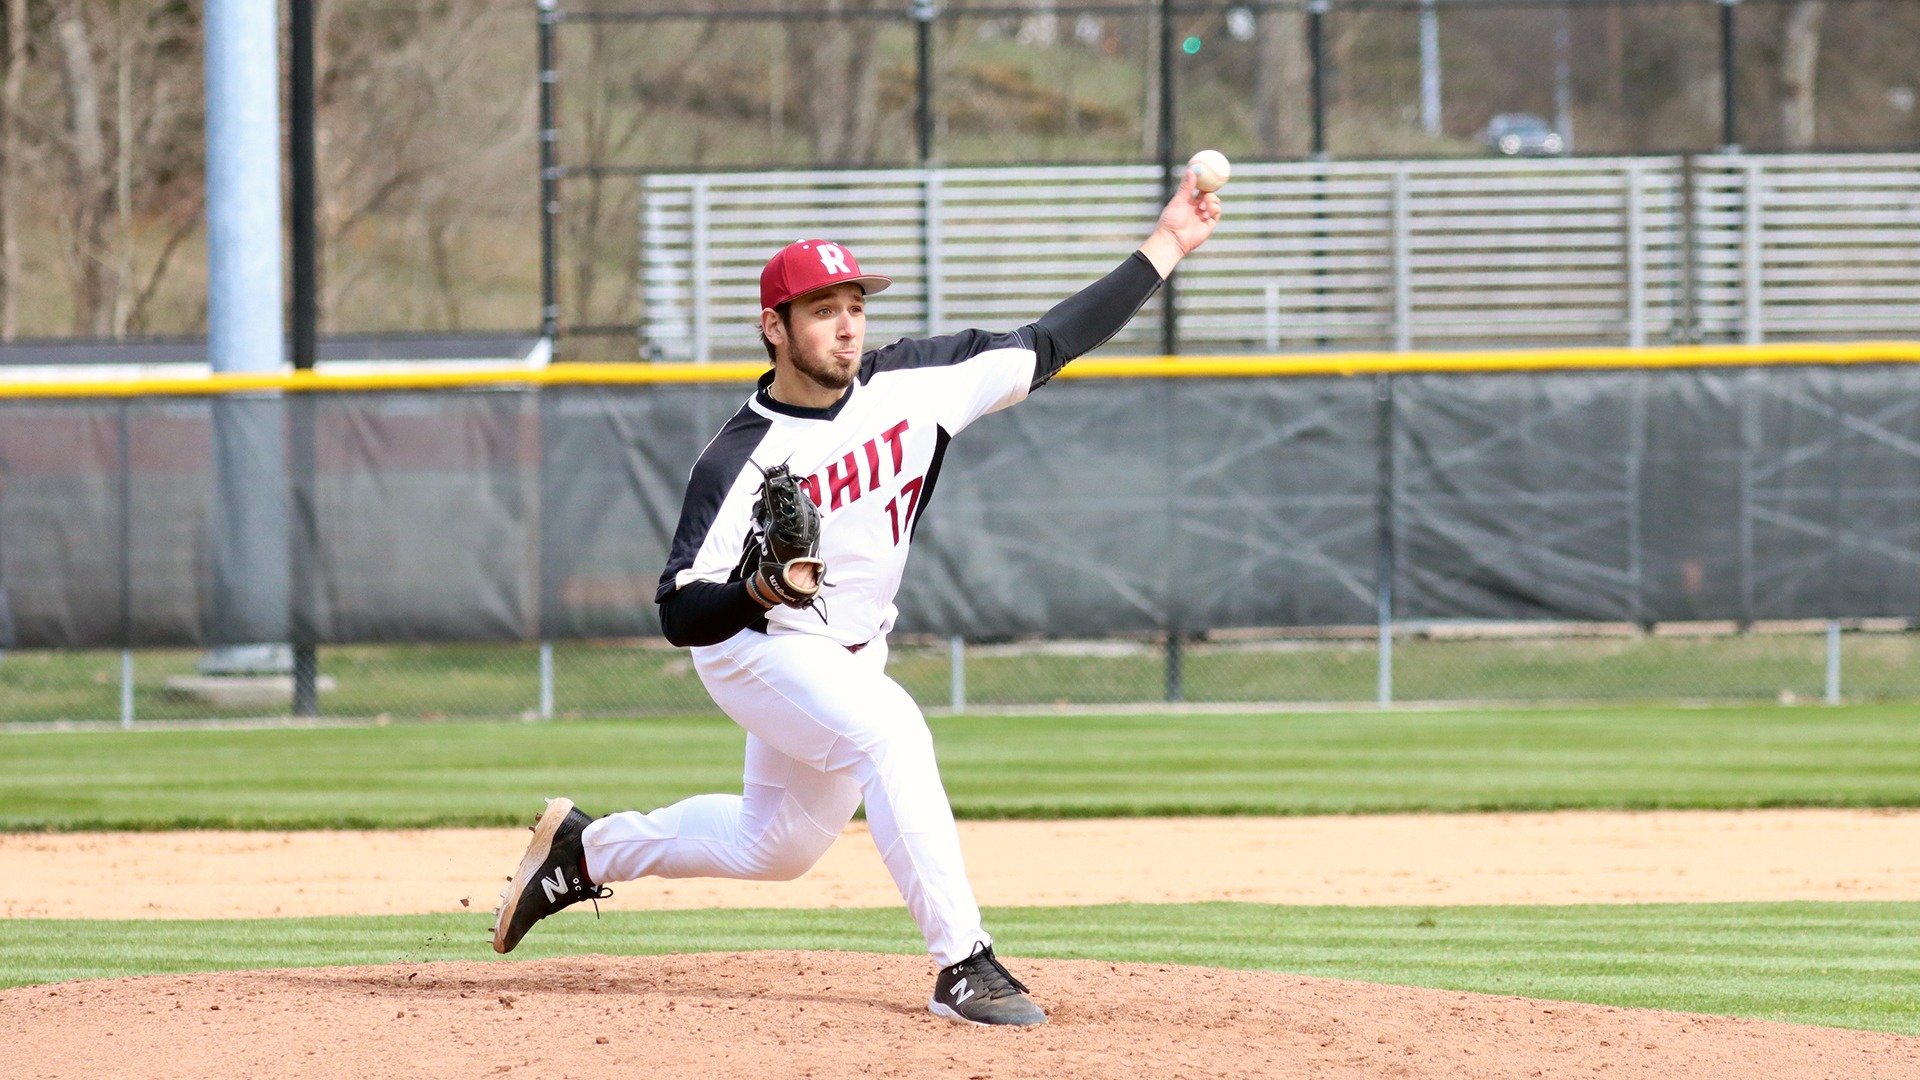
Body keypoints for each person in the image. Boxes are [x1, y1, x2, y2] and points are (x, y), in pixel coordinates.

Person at [491, 168, 1223, 1026]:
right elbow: (679, 614)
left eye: (855, 306)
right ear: (775, 327)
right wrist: (758, 587)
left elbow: (1051, 341)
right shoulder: (737, 458)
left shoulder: (915, 384)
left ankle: (585, 850)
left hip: (850, 649)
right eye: (822, 310)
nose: (846, 325)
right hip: (755, 648)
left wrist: (1168, 243)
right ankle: (964, 965)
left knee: (775, 847)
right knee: (891, 732)